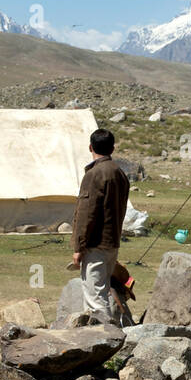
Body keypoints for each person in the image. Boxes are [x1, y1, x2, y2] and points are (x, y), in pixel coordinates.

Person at [71, 128, 130, 325]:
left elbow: (87, 214)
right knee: (103, 292)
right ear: (112, 148)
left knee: (95, 299)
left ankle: (105, 340)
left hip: (96, 243)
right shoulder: (120, 173)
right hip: (112, 242)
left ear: (90, 147)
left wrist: (79, 246)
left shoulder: (95, 174)